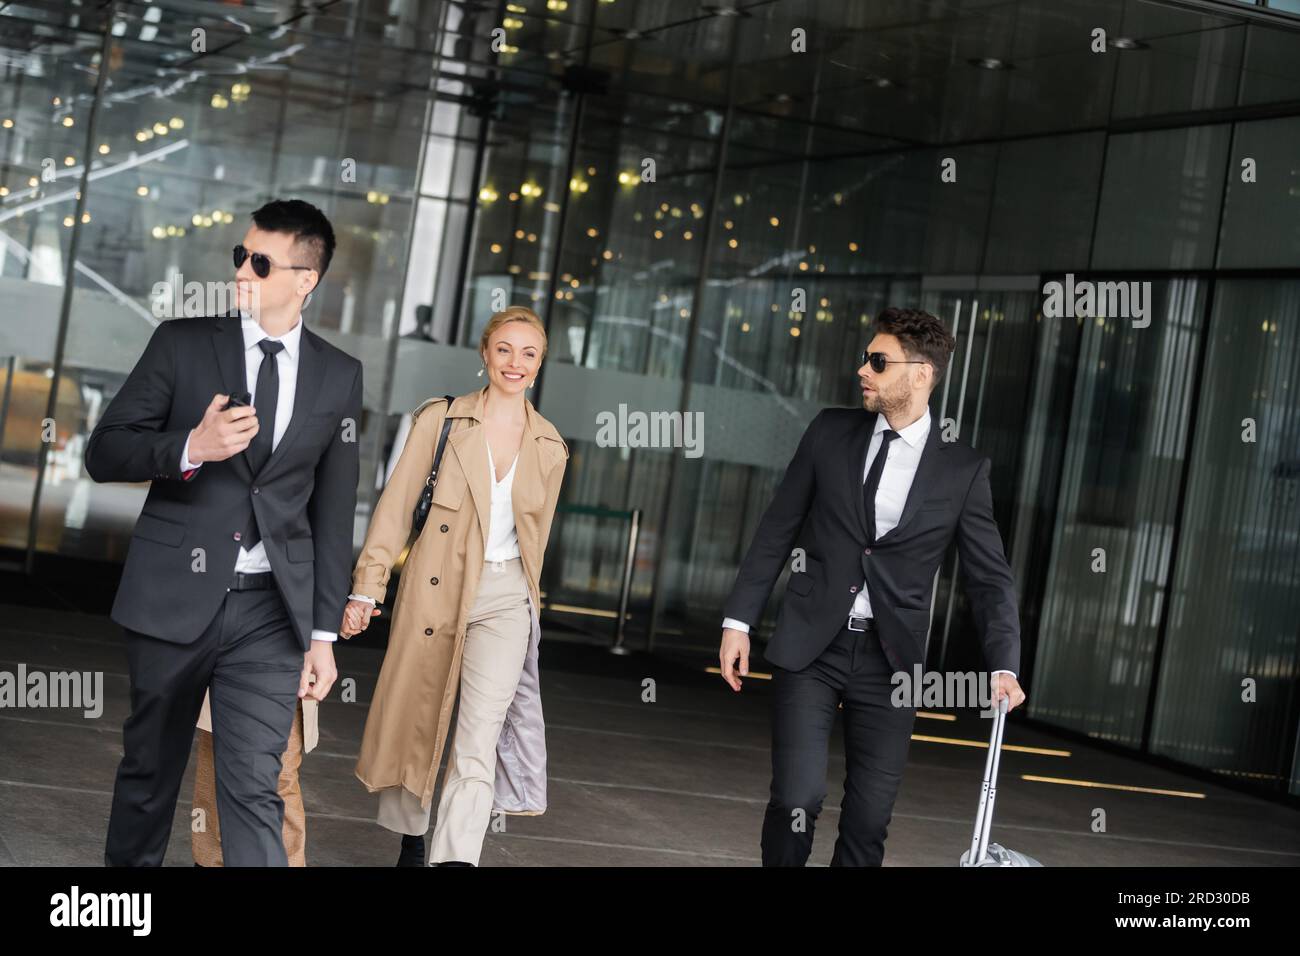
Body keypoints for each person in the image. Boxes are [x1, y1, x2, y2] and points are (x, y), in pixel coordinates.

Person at [86, 198, 360, 866]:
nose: (242, 270)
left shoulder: (339, 373)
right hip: (173, 596)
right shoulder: (182, 344)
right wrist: (190, 447)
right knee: (151, 773)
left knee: (255, 784)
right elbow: (106, 452)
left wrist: (322, 634)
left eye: (260, 262)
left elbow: (332, 508)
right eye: (240, 255)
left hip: (272, 612)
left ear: (305, 279)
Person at [719, 307, 1026, 867]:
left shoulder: (963, 471)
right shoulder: (829, 432)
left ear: (921, 374)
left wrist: (1004, 664)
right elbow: (777, 527)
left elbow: (989, 578)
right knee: (797, 797)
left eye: (877, 361)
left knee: (867, 821)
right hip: (811, 645)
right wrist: (738, 621)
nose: (863, 369)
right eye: (866, 357)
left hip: (893, 664)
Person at [341, 306, 568, 867]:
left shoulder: (550, 446)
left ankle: (454, 860)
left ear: (539, 366)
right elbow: (394, 509)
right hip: (436, 587)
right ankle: (412, 835)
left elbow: (535, 542)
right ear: (485, 355)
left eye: (528, 353)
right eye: (505, 350)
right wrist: (368, 588)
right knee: (420, 715)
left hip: (506, 597)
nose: (515, 363)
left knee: (480, 735)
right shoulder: (440, 421)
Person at [190, 695, 317, 866]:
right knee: (216, 776)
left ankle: (287, 861)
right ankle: (212, 861)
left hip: (286, 679)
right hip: (226, 680)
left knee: (280, 780)